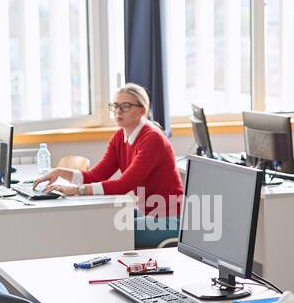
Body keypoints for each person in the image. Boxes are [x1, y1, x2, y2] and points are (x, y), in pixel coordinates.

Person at [32, 83, 184, 248]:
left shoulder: (152, 138)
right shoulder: (120, 137)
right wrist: (61, 172)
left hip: (169, 219)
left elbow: (123, 185)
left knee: (104, 233)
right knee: (100, 223)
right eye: (115, 106)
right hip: (147, 214)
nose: (118, 111)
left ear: (142, 110)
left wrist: (77, 190)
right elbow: (96, 176)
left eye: (126, 106)